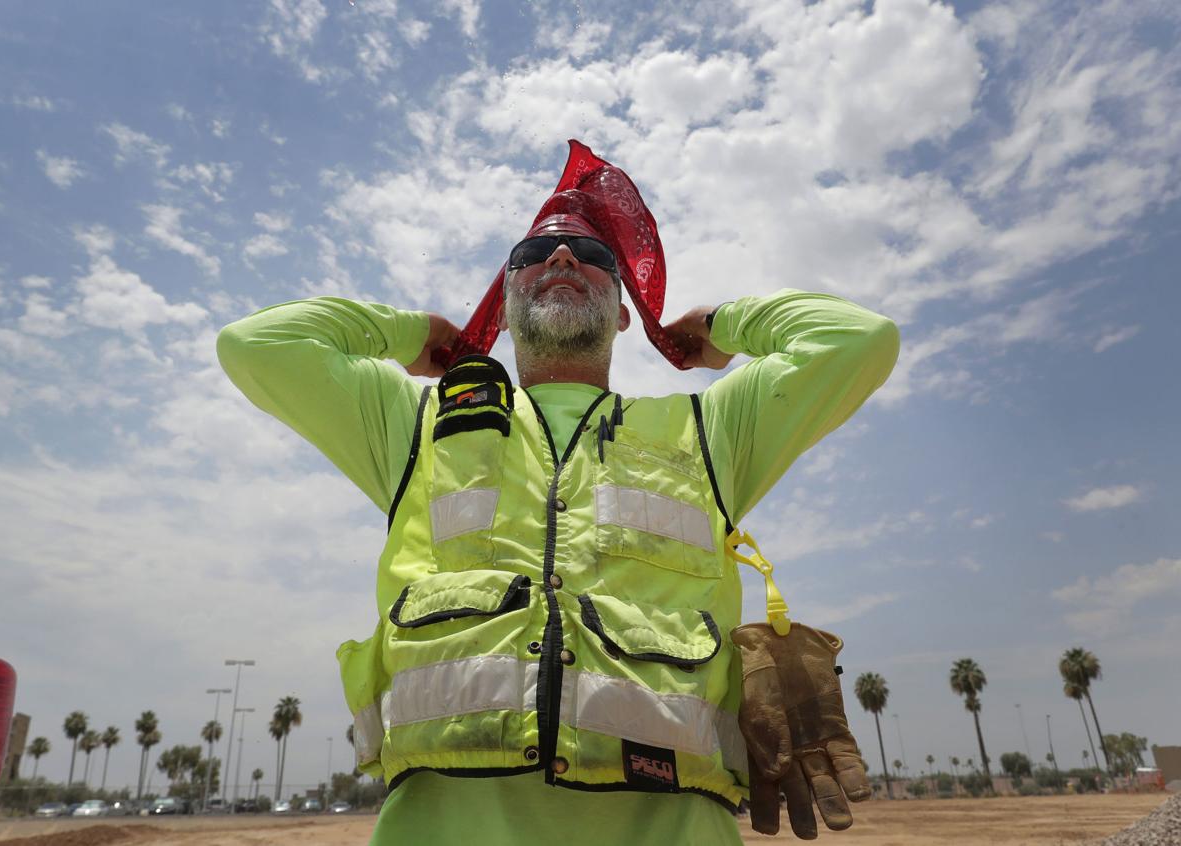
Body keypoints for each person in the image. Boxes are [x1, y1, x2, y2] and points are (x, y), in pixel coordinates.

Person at [218, 142, 899, 845]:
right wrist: (410, 333)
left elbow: (859, 340)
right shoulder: (414, 429)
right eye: (533, 255)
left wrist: (722, 327)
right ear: (506, 307)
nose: (565, 260)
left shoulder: (709, 431)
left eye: (595, 257)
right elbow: (255, 345)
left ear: (626, 310)